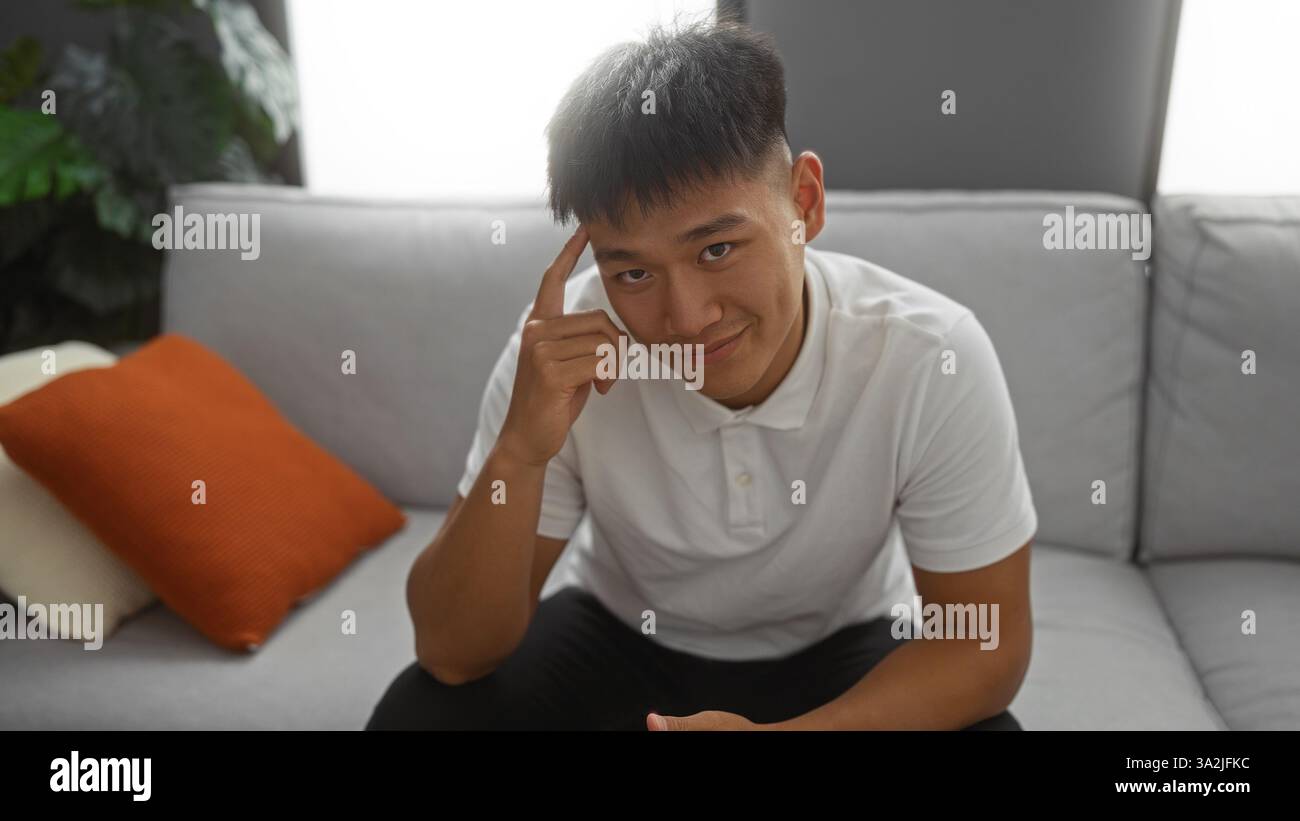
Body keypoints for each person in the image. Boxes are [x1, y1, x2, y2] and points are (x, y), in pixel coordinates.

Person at [368, 20, 1037, 731]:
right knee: (421, 715)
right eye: (631, 270)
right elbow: (452, 653)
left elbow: (984, 646)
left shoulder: (929, 351)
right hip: (620, 636)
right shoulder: (566, 354)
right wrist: (519, 450)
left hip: (841, 649)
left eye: (717, 248)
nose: (685, 318)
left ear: (804, 203)